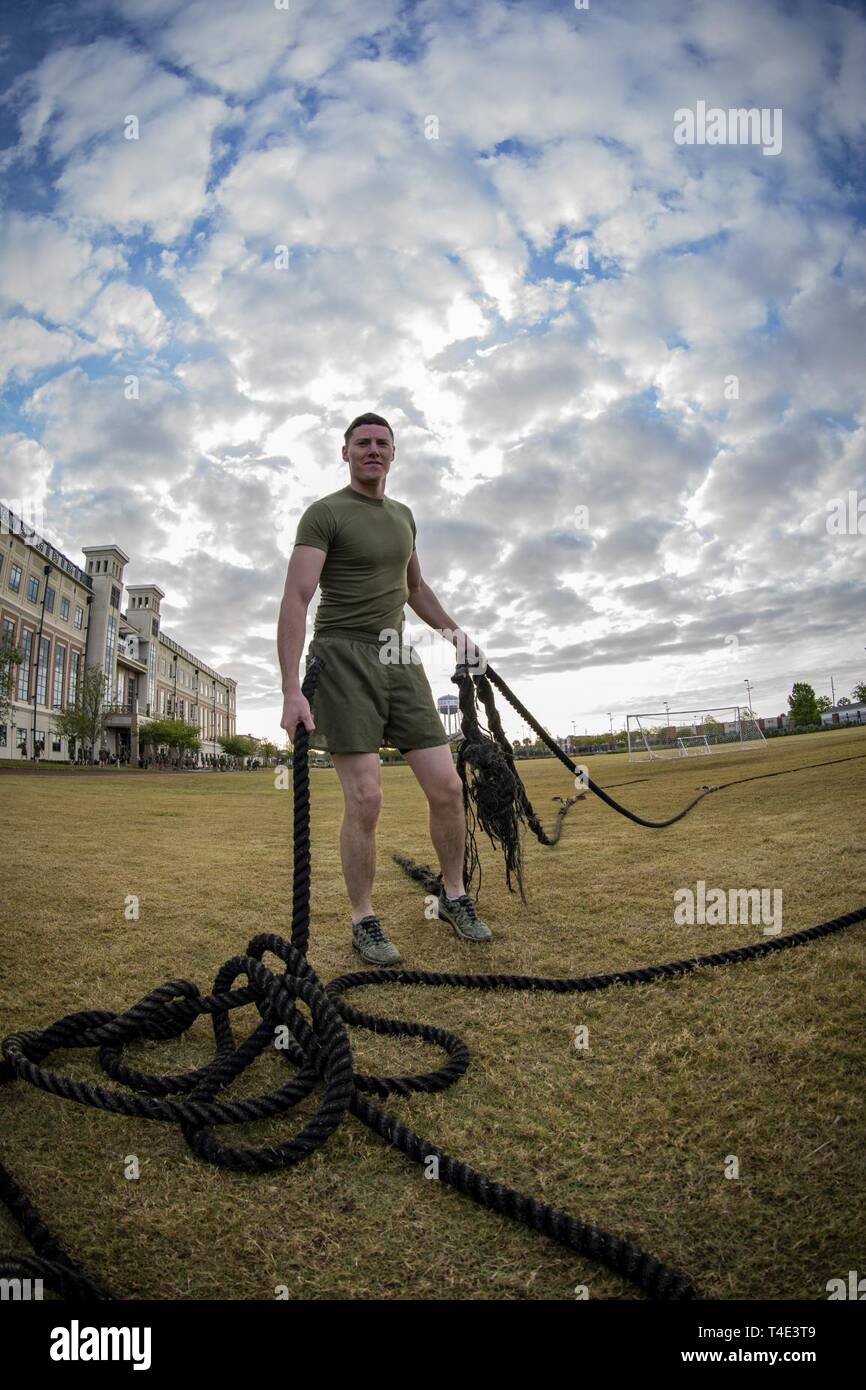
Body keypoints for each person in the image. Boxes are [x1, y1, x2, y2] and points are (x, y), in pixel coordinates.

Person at [278, 411, 492, 966]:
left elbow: (414, 588)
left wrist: (455, 634)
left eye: (382, 443)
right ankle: (364, 918)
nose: (373, 450)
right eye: (362, 443)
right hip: (342, 654)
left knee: (447, 787)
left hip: (399, 658)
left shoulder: (404, 517)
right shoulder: (324, 513)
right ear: (345, 452)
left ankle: (454, 896)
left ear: (394, 454)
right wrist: (290, 690)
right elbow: (296, 598)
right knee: (366, 798)